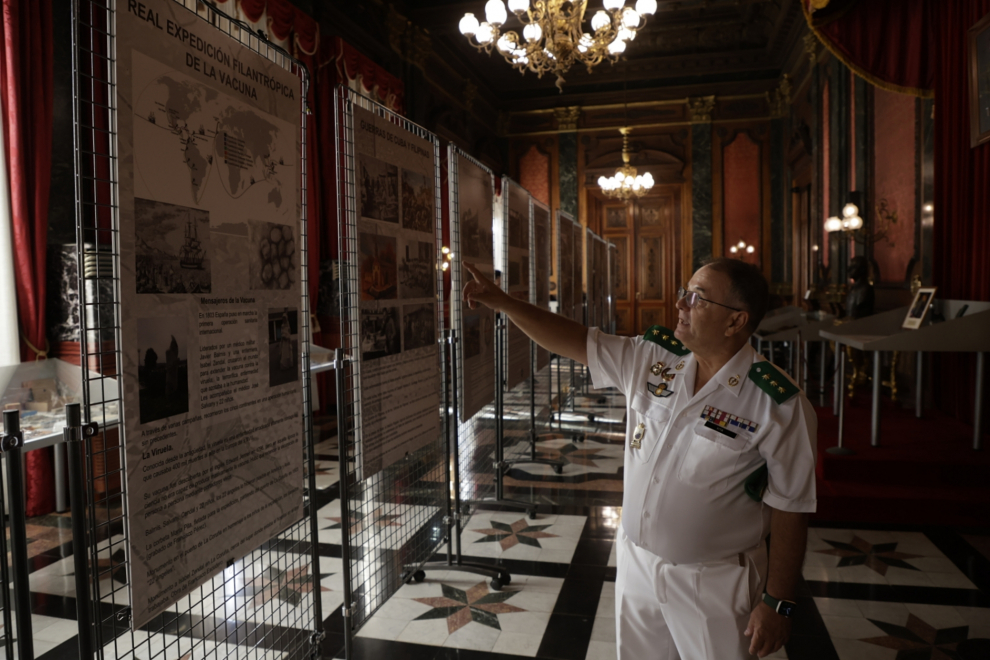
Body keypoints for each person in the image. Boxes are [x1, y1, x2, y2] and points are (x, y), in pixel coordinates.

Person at [463, 257, 816, 659]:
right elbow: (576, 340)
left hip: (714, 581)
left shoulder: (777, 406)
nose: (680, 304)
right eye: (685, 292)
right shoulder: (653, 360)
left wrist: (778, 603)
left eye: (697, 298)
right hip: (637, 565)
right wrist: (505, 303)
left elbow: (791, 507)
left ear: (736, 321)